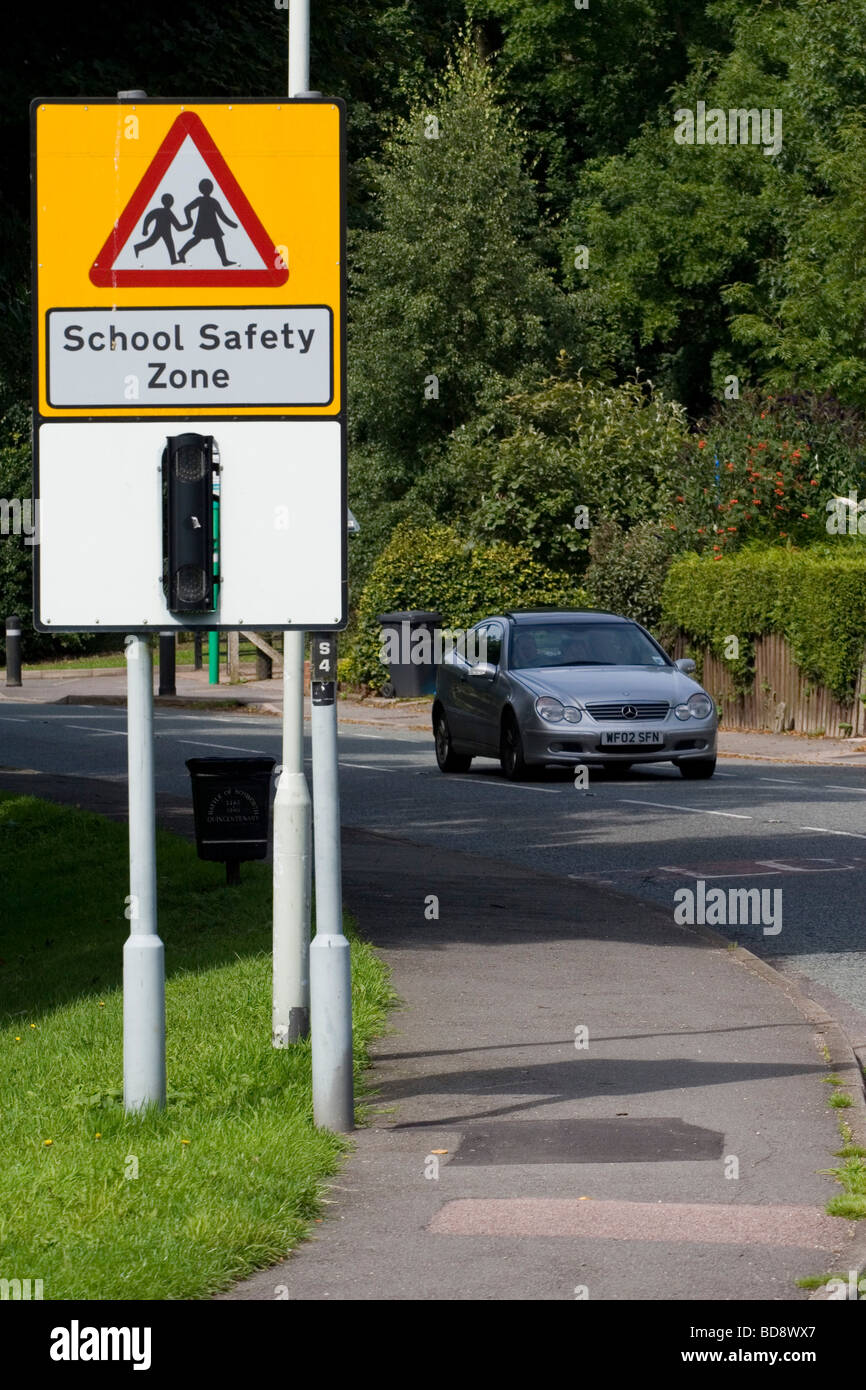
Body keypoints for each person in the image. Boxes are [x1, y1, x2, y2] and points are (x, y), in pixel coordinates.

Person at [176, 179, 238, 266]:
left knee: (210, 239)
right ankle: (182, 252)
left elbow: (222, 215)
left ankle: (224, 260)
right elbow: (187, 208)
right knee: (201, 239)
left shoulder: (212, 201)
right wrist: (189, 220)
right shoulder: (203, 200)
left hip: (211, 225)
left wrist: (232, 224)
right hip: (205, 225)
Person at [133, 194, 188, 264]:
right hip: (160, 231)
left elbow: (178, 227)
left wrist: (145, 228)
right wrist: (145, 228)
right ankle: (137, 247)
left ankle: (173, 260)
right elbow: (149, 217)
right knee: (152, 242)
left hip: (165, 232)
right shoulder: (166, 212)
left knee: (168, 244)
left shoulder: (164, 211)